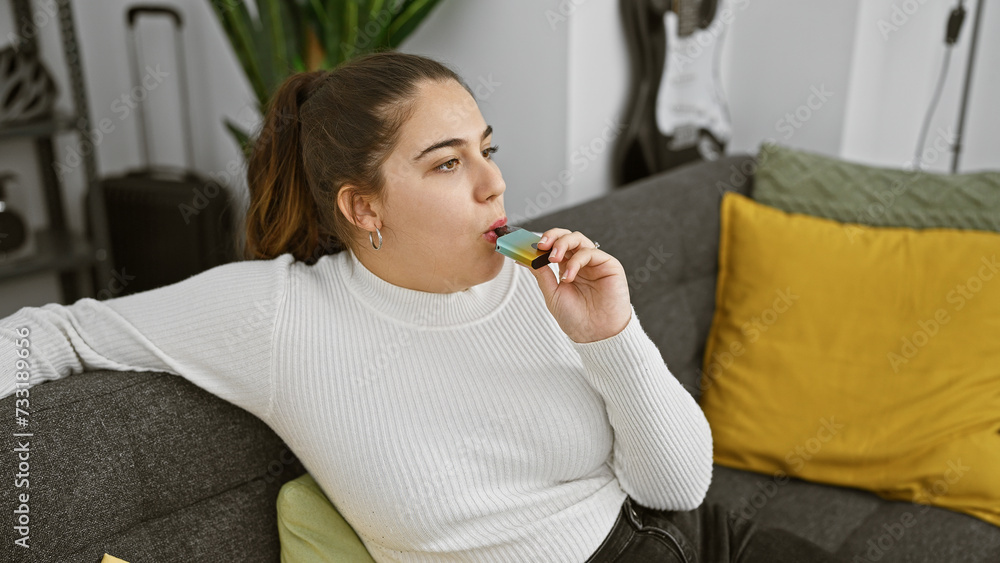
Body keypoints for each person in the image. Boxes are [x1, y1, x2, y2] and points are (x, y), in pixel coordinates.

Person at [0, 51, 839, 562]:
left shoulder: (545, 279)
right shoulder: (281, 317)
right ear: (364, 207)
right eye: (447, 163)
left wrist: (613, 335)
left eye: (488, 149)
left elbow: (679, 487)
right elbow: (57, 330)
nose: (494, 181)